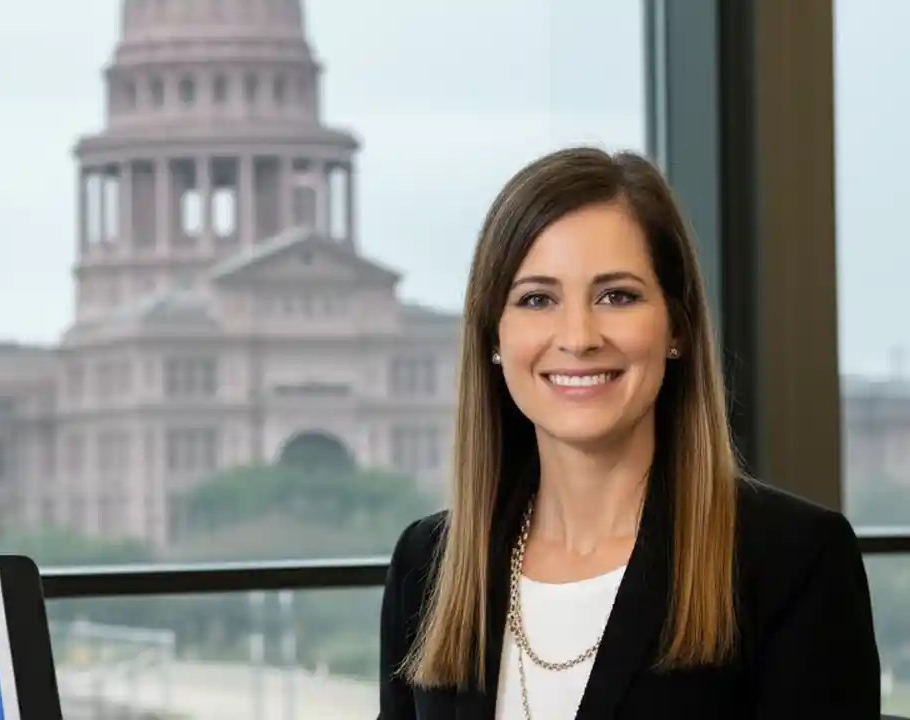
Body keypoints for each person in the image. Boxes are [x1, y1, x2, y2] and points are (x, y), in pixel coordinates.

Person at [378, 148, 881, 719]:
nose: (578, 336)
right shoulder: (428, 565)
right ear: (494, 338)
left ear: (677, 328)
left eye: (616, 296)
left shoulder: (793, 560)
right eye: (537, 299)